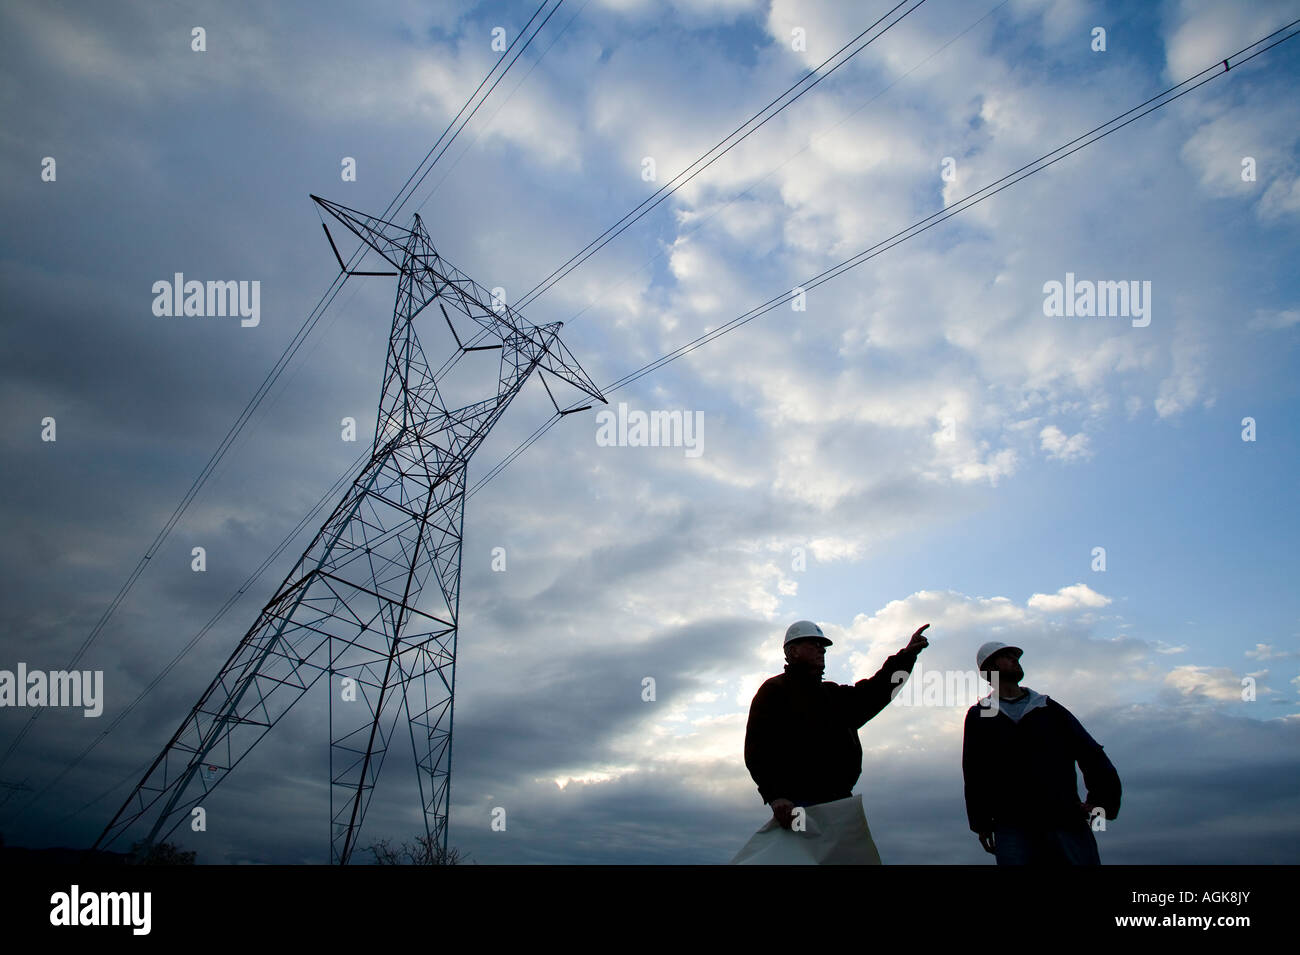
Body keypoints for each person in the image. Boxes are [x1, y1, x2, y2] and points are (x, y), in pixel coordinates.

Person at [744, 619, 931, 829]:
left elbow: (875, 692)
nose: (821, 649)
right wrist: (775, 795)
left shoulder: (833, 695)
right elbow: (757, 749)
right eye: (813, 644)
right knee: (801, 859)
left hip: (840, 806)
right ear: (793, 651)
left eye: (822, 646)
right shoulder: (774, 691)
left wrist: (907, 657)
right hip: (796, 806)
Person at [962, 641, 1122, 865]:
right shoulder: (979, 716)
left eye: (1015, 656)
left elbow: (1091, 753)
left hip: (1065, 819)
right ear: (990, 668)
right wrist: (981, 823)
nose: (1015, 659)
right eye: (1006, 656)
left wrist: (1103, 801)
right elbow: (975, 772)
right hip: (1012, 826)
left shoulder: (1049, 708)